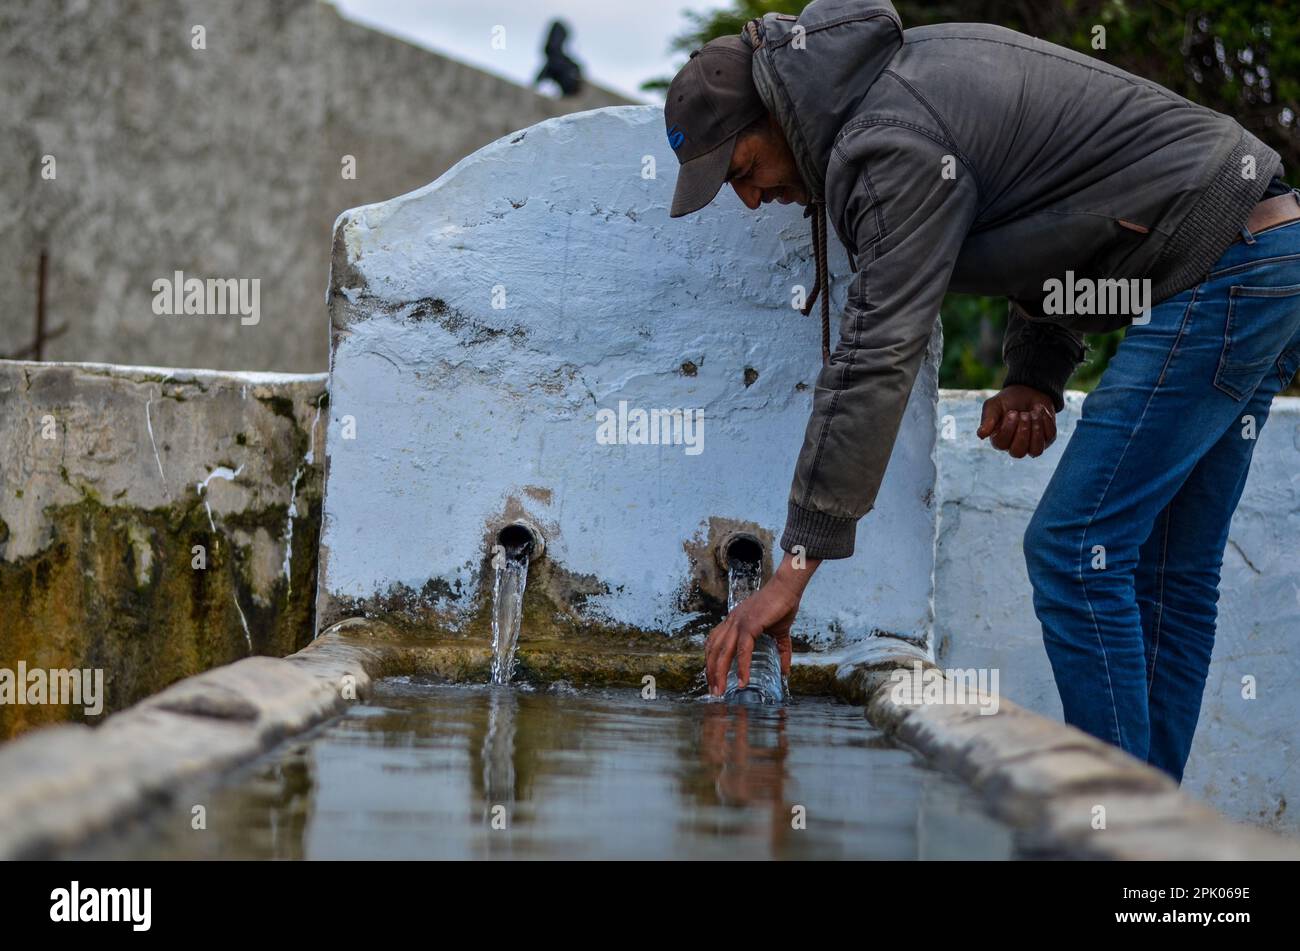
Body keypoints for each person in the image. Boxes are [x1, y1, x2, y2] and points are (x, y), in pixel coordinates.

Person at [665, 0, 1300, 782]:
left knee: (1075, 550)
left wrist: (793, 569)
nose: (754, 199)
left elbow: (877, 353)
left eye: (742, 171)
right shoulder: (894, 96)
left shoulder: (889, 138)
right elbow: (1062, 209)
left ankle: (1114, 836)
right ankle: (1154, 858)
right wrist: (1034, 371)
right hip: (1265, 250)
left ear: (777, 114)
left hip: (1221, 266)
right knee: (1169, 573)